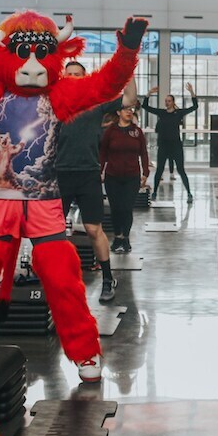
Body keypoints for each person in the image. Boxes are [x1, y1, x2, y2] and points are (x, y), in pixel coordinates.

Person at [0, 10, 147, 384]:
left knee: (63, 280)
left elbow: (106, 84)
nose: (32, 66)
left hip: (44, 202)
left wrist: (128, 49)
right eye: (21, 54)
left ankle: (84, 350)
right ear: (4, 55)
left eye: (41, 54)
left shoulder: (61, 93)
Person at [58, 59, 138, 300]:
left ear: (84, 77)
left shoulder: (96, 101)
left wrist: (128, 68)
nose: (73, 77)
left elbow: (130, 99)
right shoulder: (54, 102)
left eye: (78, 74)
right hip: (59, 174)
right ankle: (55, 279)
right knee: (53, 232)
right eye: (69, 74)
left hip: (88, 175)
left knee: (94, 229)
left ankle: (107, 278)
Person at [100, 103, 150, 257]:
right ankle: (117, 237)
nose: (129, 112)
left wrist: (145, 172)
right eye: (126, 109)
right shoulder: (111, 131)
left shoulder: (137, 131)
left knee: (127, 208)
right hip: (112, 177)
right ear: (118, 112)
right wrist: (99, 171)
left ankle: (126, 238)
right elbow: (103, 153)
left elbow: (143, 153)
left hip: (132, 177)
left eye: (131, 110)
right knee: (116, 208)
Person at [143, 83, 198, 201]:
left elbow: (195, 107)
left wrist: (191, 92)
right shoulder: (162, 113)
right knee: (159, 170)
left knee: (181, 170)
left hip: (176, 146)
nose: (167, 103)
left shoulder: (179, 113)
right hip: (163, 146)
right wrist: (149, 93)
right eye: (166, 101)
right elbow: (145, 107)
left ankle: (189, 193)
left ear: (173, 102)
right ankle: (154, 193)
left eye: (169, 101)